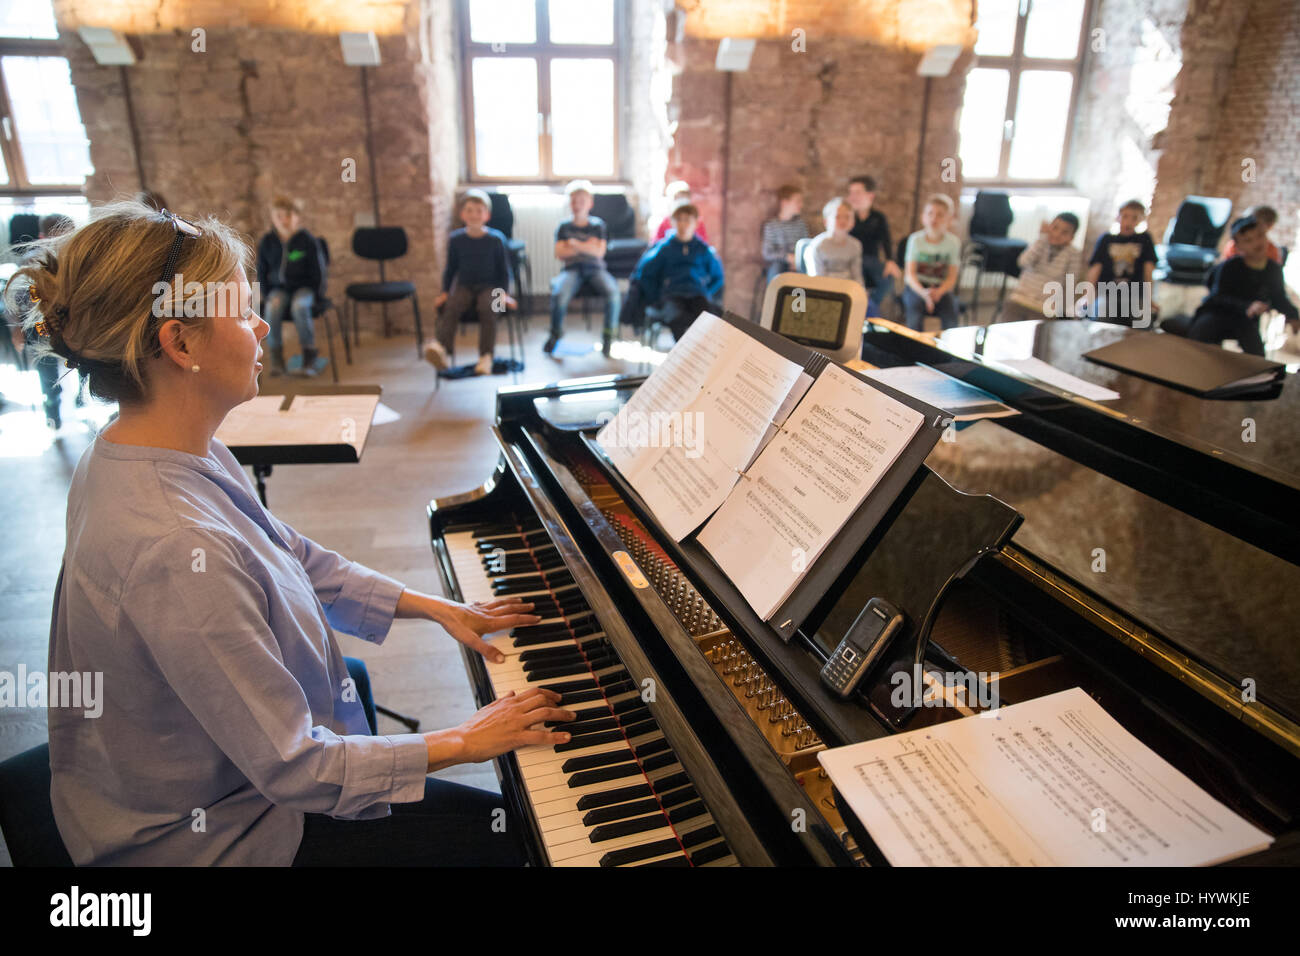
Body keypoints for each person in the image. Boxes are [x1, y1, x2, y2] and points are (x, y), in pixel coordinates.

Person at [12, 199, 575, 866]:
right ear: (180, 344)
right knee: (514, 840)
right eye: (243, 310)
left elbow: (290, 554)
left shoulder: (154, 444)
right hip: (223, 837)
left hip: (214, 769)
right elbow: (295, 767)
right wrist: (467, 739)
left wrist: (433, 607)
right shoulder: (172, 543)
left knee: (358, 690)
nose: (260, 326)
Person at [423, 188, 515, 376]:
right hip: (465, 285)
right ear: (462, 214)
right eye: (470, 210)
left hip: (491, 287)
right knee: (452, 306)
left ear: (487, 215)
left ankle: (486, 357)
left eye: (479, 211)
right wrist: (444, 292)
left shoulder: (496, 239)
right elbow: (450, 270)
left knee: (489, 308)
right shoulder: (456, 239)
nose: (474, 215)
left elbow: (504, 271)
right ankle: (442, 348)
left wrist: (504, 294)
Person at [1183, 216, 1298, 356]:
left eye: (1260, 236)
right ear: (1238, 247)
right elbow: (1217, 296)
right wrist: (1247, 306)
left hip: (1244, 321)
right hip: (1216, 314)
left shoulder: (1273, 269)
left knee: (1257, 357)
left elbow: (1278, 297)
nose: (1257, 243)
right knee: (1196, 345)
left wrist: (1293, 315)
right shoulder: (1229, 267)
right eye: (1248, 240)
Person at [546, 179, 621, 357]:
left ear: (590, 204)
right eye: (574, 201)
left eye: (582, 201)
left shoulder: (598, 225)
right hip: (571, 270)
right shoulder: (563, 227)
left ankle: (608, 338)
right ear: (569, 203)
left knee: (613, 293)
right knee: (559, 294)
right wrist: (588, 245)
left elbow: (599, 253)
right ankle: (555, 334)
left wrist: (573, 244)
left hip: (596, 270)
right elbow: (559, 253)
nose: (578, 205)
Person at [255, 196, 328, 376]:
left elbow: (319, 271)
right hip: (278, 290)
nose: (282, 220)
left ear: (295, 217)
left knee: (299, 307)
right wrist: (266, 294)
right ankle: (276, 358)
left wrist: (317, 296)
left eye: (286, 215)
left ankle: (309, 356)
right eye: (277, 216)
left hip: (304, 289)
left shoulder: (307, 240)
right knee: (273, 307)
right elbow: (261, 271)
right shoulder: (268, 242)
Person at [632, 203, 724, 341]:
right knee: (676, 318)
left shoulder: (702, 249)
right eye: (679, 219)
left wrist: (707, 292)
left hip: (696, 294)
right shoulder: (664, 248)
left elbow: (718, 276)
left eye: (687, 220)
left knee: (708, 318)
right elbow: (645, 273)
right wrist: (655, 295)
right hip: (672, 295)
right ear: (673, 222)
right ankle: (681, 354)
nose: (683, 224)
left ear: (695, 223)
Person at [1086, 199, 1159, 327]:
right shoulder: (1106, 239)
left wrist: (1149, 298)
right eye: (1125, 216)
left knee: (1143, 322)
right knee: (1100, 319)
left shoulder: (1144, 239)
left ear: (1140, 220)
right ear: (1118, 217)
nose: (1129, 222)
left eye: (1134, 218)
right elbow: (1096, 267)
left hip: (1136, 295)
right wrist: (1088, 295)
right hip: (1107, 293)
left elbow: (1149, 269)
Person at [1001, 212, 1084, 322]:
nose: (1057, 234)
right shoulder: (1040, 243)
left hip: (1046, 307)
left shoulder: (1073, 255)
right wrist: (1041, 239)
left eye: (1064, 232)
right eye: (1055, 228)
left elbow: (1070, 284)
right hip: (1020, 298)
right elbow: (1023, 262)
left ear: (1071, 237)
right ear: (1049, 227)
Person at [901, 194, 962, 331]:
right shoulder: (915, 240)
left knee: (951, 317)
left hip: (941, 288)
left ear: (949, 219)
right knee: (914, 319)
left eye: (940, 215)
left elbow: (951, 278)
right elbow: (910, 275)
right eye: (930, 213)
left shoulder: (953, 243)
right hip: (917, 288)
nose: (934, 218)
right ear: (924, 217)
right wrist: (925, 294)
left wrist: (939, 292)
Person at [846, 175, 902, 314]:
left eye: (857, 193)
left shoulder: (878, 218)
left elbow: (886, 240)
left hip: (871, 262)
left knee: (888, 277)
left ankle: (869, 304)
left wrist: (890, 261)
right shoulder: (848, 217)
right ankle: (867, 306)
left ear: (870, 196)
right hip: (851, 261)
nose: (853, 197)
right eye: (851, 193)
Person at [806, 197, 865, 286]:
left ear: (853, 222)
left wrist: (861, 293)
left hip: (848, 291)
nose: (843, 221)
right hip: (824, 292)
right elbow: (816, 279)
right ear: (826, 221)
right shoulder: (817, 246)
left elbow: (857, 277)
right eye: (837, 217)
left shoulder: (856, 245)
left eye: (847, 217)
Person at [761, 185, 808, 281]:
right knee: (777, 269)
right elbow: (767, 253)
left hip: (798, 262)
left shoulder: (800, 224)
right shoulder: (771, 226)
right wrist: (787, 257)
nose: (801, 205)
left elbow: (806, 246)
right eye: (797, 201)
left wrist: (797, 260)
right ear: (785, 202)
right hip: (780, 265)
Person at [651, 180, 710, 244]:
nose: (683, 224)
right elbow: (655, 243)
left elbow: (704, 243)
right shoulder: (665, 222)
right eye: (677, 197)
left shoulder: (696, 222)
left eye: (684, 196)